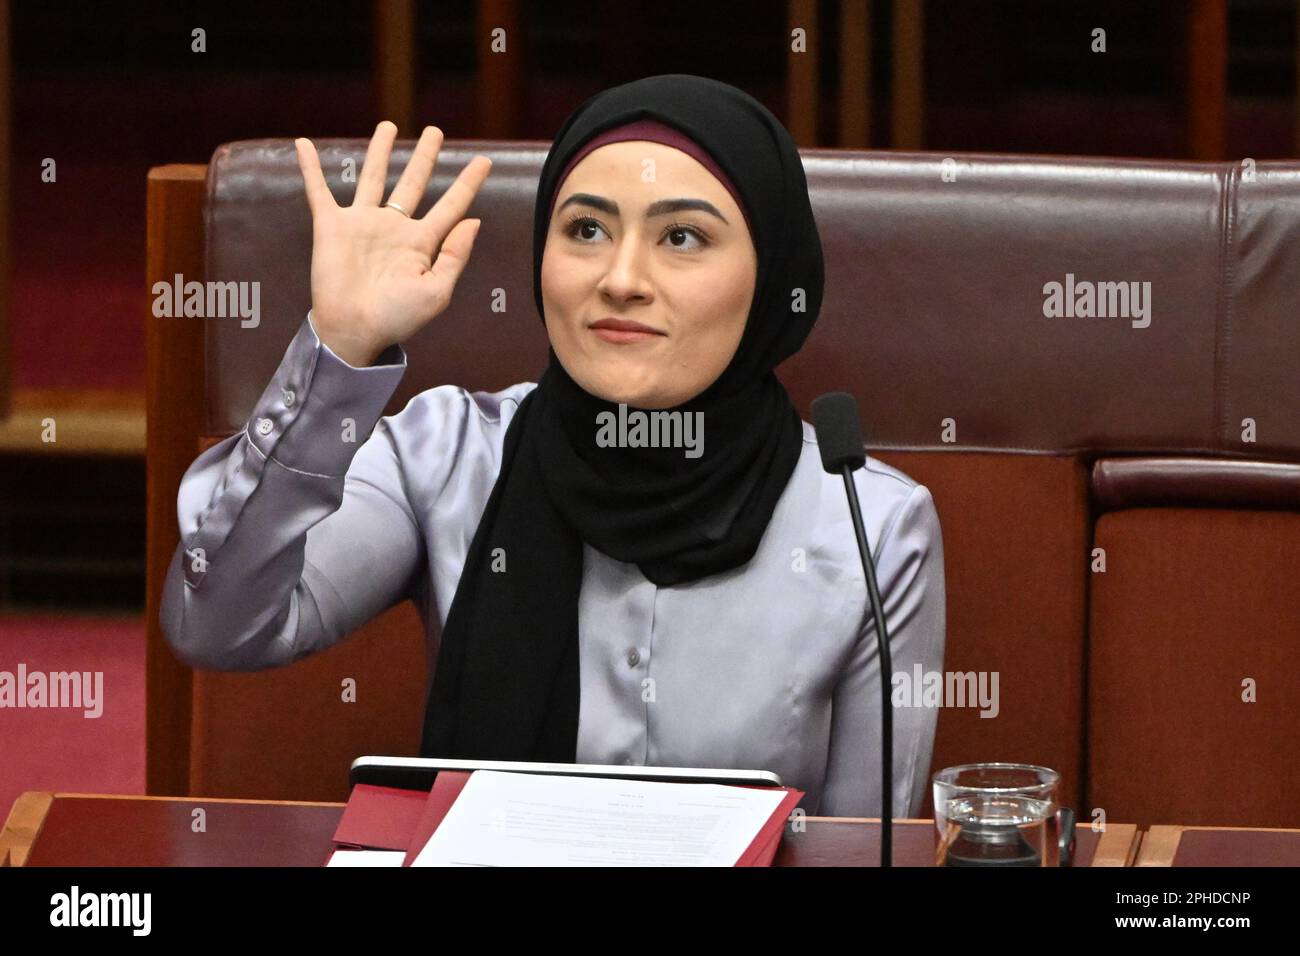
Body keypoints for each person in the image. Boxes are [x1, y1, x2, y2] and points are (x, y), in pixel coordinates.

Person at [161, 73, 945, 818]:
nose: (621, 277)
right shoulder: (449, 454)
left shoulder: (869, 524)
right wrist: (339, 349)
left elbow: (867, 847)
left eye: (681, 236)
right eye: (586, 230)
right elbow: (220, 624)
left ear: (772, 275)